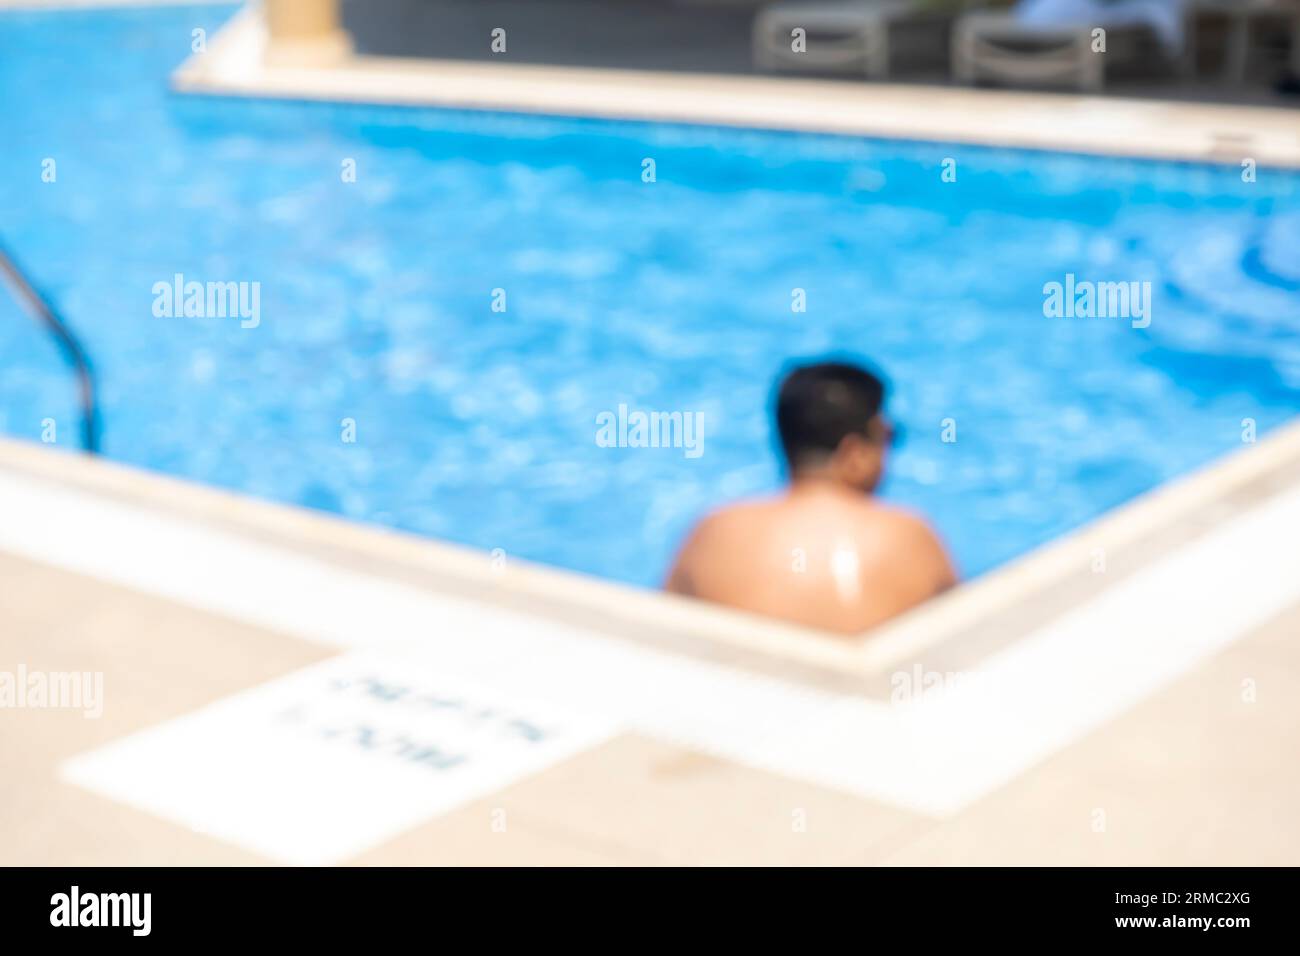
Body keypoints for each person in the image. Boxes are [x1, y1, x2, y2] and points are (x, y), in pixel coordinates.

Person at [665, 360, 956, 635]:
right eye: (888, 436)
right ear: (855, 455)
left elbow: (655, 648)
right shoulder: (910, 536)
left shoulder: (714, 534)